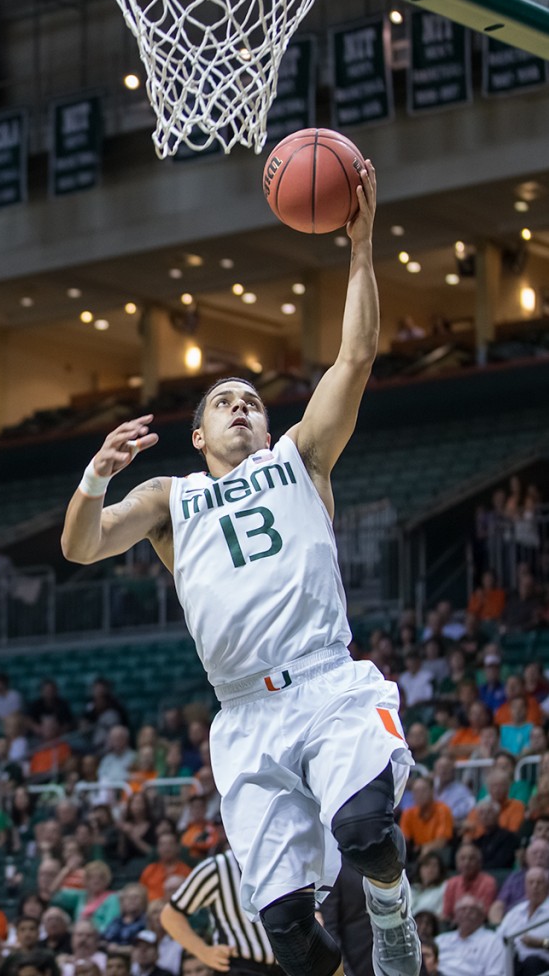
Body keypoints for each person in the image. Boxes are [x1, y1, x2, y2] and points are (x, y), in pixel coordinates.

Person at [62, 163, 420, 976]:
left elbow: (357, 355)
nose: (242, 407)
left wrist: (360, 248)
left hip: (327, 686)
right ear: (198, 435)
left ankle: (394, 912)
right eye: (225, 402)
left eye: (251, 400)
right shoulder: (167, 498)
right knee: (292, 938)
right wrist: (94, 475)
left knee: (366, 834)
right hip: (243, 717)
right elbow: (81, 547)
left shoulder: (302, 457)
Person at [161, 847, 283, 976]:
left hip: (291, 967)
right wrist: (203, 951)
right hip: (242, 967)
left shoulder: (286, 855)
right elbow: (170, 915)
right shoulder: (218, 867)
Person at [495, 867, 549, 976]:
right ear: (525, 887)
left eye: (539, 882)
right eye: (531, 883)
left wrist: (542, 943)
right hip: (513, 965)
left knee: (532, 961)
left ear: (547, 886)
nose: (535, 886)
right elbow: (497, 939)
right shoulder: (515, 912)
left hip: (542, 967)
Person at [435, 895, 504, 976]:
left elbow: (496, 973)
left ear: (482, 916)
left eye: (472, 910)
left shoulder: (493, 941)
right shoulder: (440, 940)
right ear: (455, 916)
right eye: (463, 909)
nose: (467, 913)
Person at [441, 844, 497, 922]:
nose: (466, 863)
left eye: (472, 859)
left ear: (479, 863)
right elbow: (446, 913)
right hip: (453, 927)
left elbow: (484, 913)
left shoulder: (488, 882)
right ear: (457, 863)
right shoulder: (451, 883)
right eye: (462, 859)